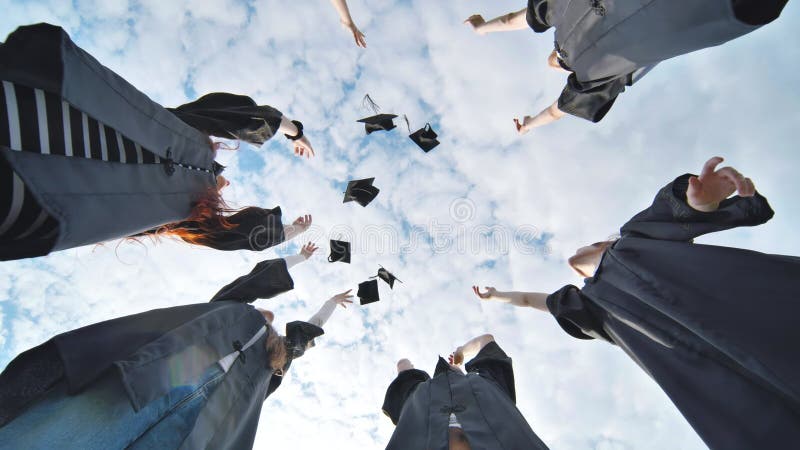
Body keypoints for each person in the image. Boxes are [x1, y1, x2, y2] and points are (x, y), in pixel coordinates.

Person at [472, 156, 800, 449]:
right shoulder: (590, 305)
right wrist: (496, 295)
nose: (575, 255)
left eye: (590, 243)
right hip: (700, 367)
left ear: (604, 243)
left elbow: (675, 212)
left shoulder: (633, 239)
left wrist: (699, 204)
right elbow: (533, 301)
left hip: (744, 302)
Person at [0, 23, 315, 261]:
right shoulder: (184, 159)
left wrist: (294, 132)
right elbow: (237, 116)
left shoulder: (181, 208)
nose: (227, 183)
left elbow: (241, 118)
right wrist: (294, 132)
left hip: (30, 191)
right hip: (36, 112)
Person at [0, 242, 354, 449]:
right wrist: (299, 259)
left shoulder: (270, 364)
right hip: (153, 384)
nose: (269, 315)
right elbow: (257, 278)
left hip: (201, 426)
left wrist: (332, 304)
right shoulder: (233, 309)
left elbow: (309, 331)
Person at [464, 0, 789, 134]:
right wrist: (481, 28)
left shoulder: (595, 76)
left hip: (721, 9)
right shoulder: (558, 11)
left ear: (562, 68)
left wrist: (529, 126)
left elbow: (556, 111)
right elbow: (512, 19)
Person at [382, 334, 549, 449]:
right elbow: (403, 365)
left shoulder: (488, 379)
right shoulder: (417, 392)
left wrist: (461, 350)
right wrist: (412, 368)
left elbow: (487, 340)